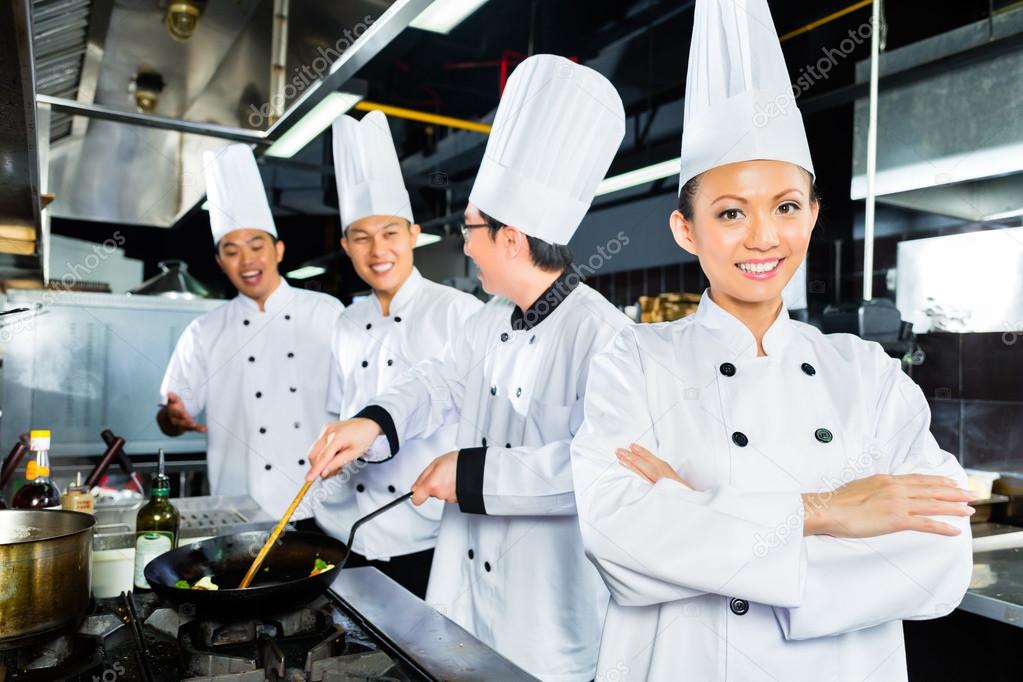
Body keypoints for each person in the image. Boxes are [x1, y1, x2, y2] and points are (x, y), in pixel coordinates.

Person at [569, 2, 974, 680]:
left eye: (785, 206)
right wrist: (829, 512)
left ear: (812, 214)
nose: (762, 238)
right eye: (730, 213)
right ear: (685, 230)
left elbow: (936, 561)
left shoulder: (866, 373)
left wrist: (697, 522)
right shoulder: (633, 361)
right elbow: (619, 548)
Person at [306, 54, 629, 681]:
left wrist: (473, 472)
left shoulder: (606, 337)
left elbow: (599, 469)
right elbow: (432, 382)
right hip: (463, 603)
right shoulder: (488, 318)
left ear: (510, 240)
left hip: (545, 618)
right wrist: (372, 422)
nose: (464, 243)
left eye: (471, 230)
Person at [308, 111, 482, 598]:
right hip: (343, 534)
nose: (377, 249)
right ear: (346, 245)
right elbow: (339, 411)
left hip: (421, 534)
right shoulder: (345, 321)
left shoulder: (458, 312)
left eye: (389, 233)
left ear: (413, 233)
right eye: (361, 237)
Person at [158, 144, 343, 519]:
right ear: (219, 261)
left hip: (321, 507)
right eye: (231, 250)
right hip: (237, 510)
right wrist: (174, 417)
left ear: (278, 250)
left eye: (256, 246)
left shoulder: (327, 314)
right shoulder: (204, 331)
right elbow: (170, 416)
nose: (246, 261)